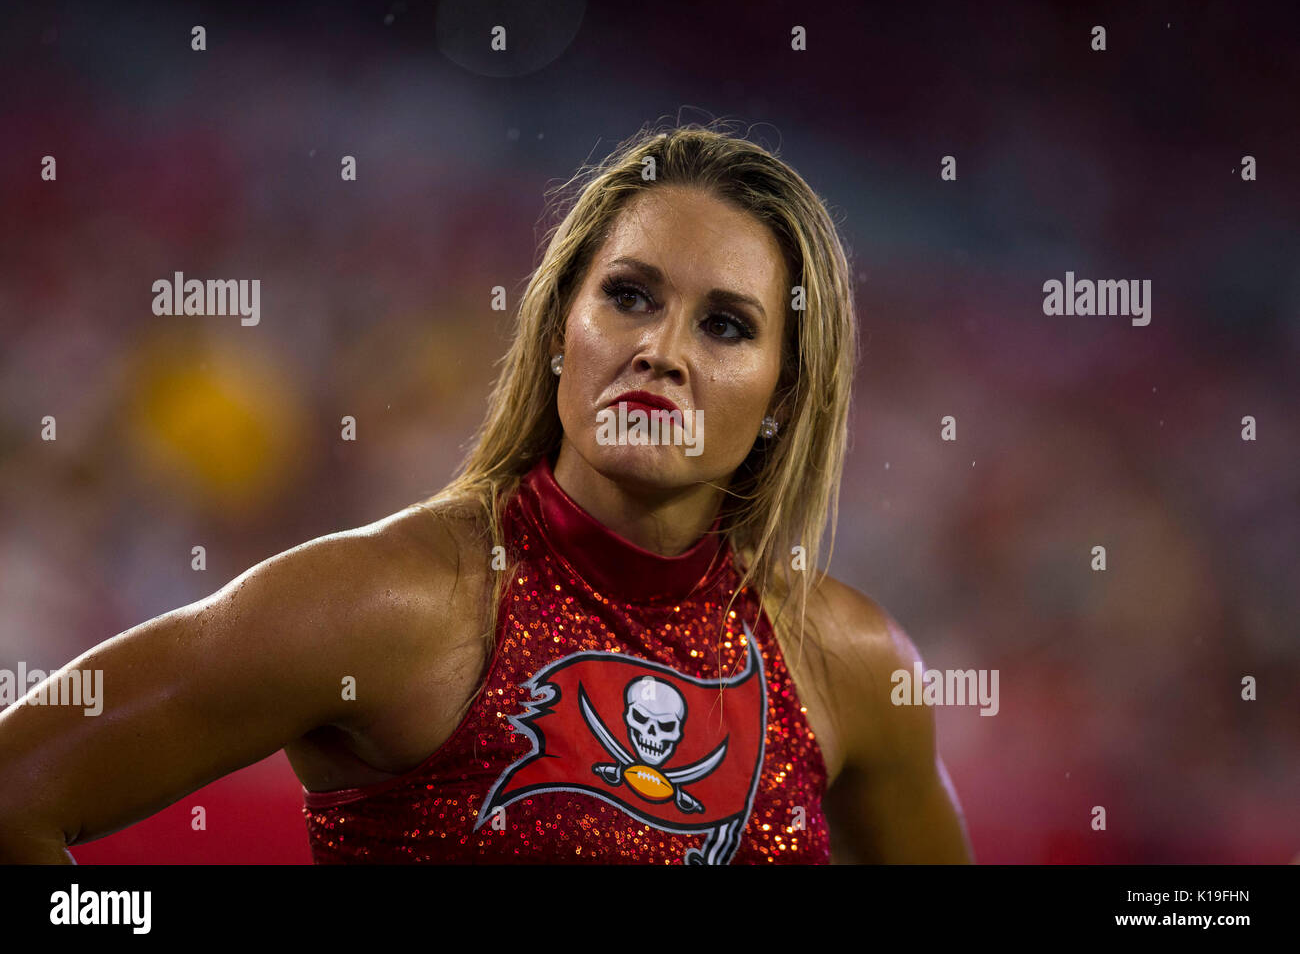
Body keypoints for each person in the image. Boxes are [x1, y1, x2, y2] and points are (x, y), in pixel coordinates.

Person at [0, 122, 973, 864]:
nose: (660, 350)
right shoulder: (392, 600)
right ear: (559, 328)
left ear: (784, 392)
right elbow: (17, 794)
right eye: (628, 295)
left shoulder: (849, 662)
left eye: (724, 324)